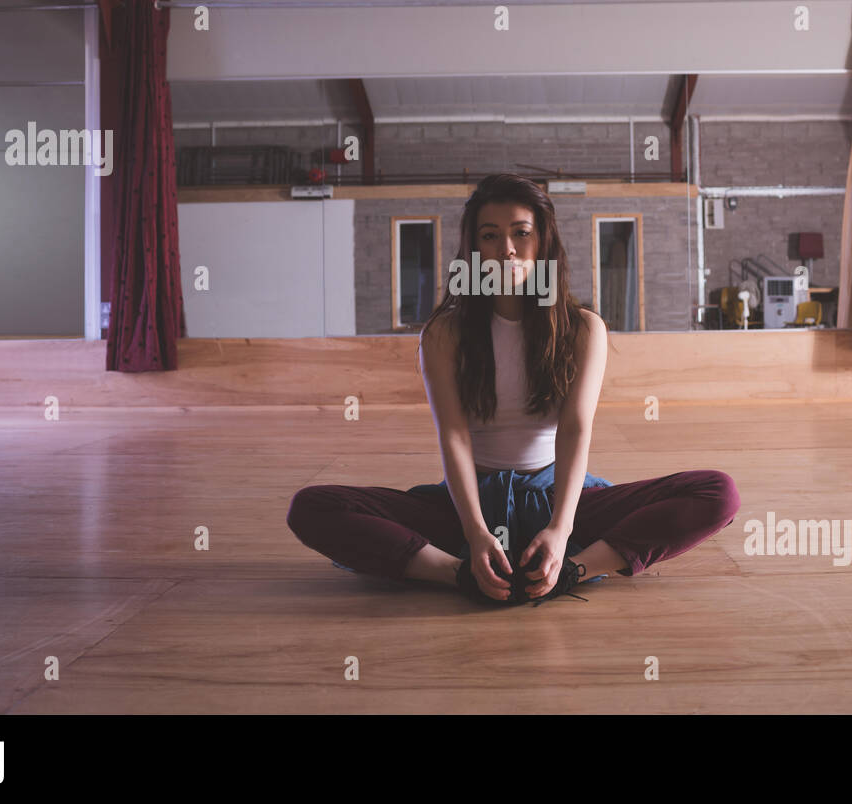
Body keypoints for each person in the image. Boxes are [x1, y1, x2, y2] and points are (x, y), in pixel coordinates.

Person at [288, 174, 741, 606]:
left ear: (543, 241)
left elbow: (574, 430)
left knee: (717, 492)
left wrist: (562, 533)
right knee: (312, 507)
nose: (506, 249)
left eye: (520, 233)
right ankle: (458, 572)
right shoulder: (445, 334)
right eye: (489, 236)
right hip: (467, 502)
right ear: (473, 249)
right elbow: (455, 436)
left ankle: (571, 571)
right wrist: (475, 532)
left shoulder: (583, 328)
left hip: (559, 497)